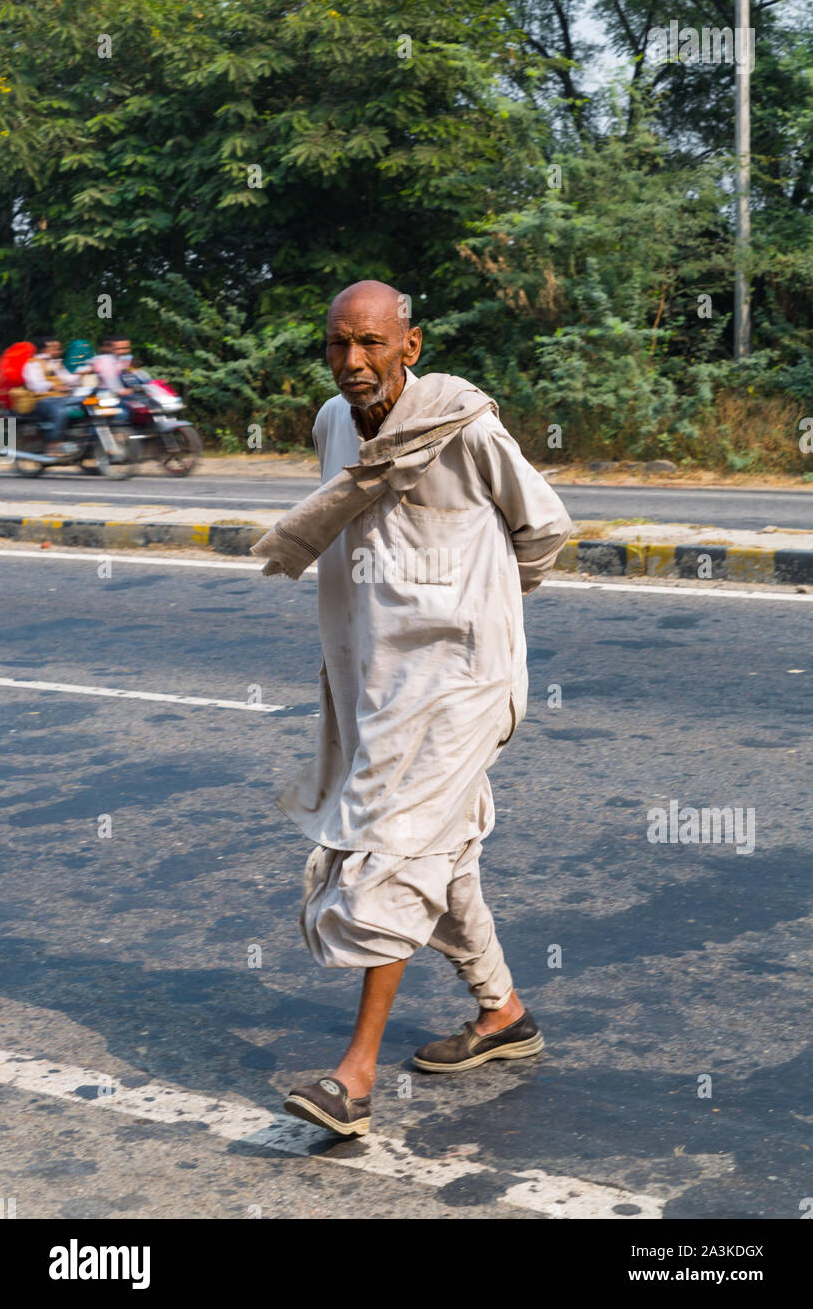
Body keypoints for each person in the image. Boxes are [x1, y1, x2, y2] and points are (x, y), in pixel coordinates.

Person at [251, 280, 572, 1138]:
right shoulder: (330, 423)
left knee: (394, 853)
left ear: (411, 345)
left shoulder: (461, 423)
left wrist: (484, 612)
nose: (353, 363)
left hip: (465, 684)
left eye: (371, 344)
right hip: (377, 689)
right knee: (445, 852)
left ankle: (354, 1079)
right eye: (337, 346)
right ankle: (502, 1012)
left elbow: (543, 527)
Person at [21, 338, 79, 454]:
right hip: (43, 400)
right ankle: (53, 443)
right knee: (60, 411)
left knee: (85, 405)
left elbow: (68, 379)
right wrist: (53, 386)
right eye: (54, 348)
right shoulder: (33, 364)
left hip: (62, 398)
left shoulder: (55, 364)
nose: (58, 351)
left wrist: (83, 374)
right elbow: (34, 385)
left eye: (58, 348)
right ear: (44, 350)